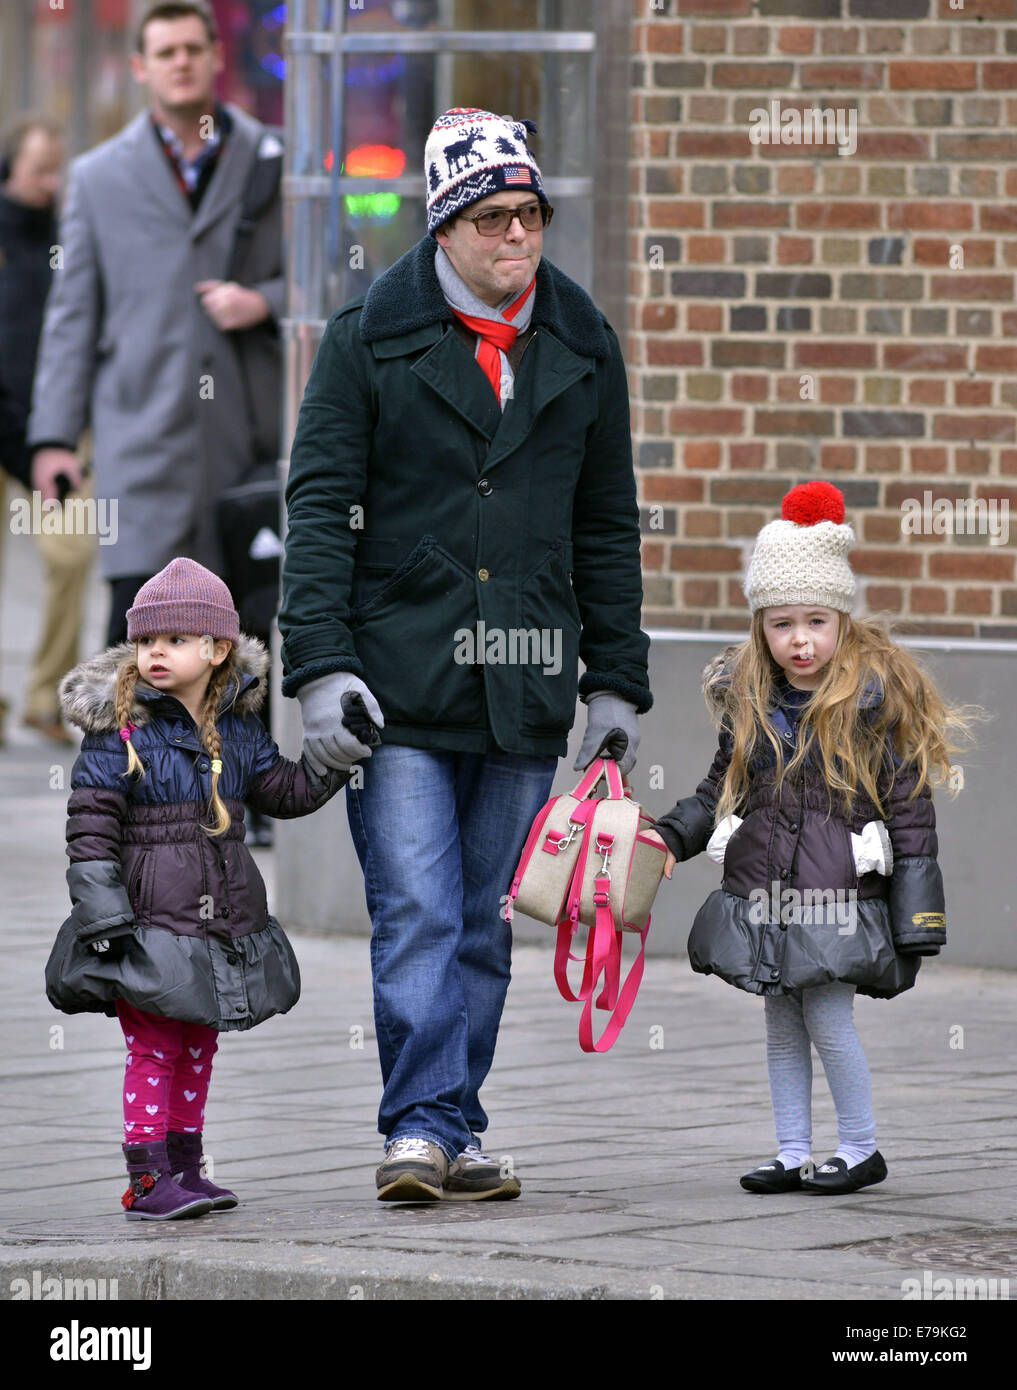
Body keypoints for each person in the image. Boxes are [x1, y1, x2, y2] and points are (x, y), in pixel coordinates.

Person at [278, 107, 652, 1202]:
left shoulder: (583, 344)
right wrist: (318, 667)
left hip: (525, 683)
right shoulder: (367, 337)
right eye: (492, 219)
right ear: (443, 228)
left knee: (490, 924)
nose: (518, 238)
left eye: (530, 215)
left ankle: (450, 1119)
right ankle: (421, 1127)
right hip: (396, 685)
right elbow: (316, 508)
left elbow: (606, 525)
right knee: (420, 913)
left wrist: (618, 678)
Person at [645, 480, 971, 1196]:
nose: (799, 640)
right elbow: (718, 789)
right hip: (768, 892)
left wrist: (916, 911)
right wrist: (669, 838)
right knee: (780, 1023)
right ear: (760, 626)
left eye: (815, 621)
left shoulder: (870, 700)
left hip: (838, 892)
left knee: (827, 1018)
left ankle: (858, 1146)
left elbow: (910, 805)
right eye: (781, 623)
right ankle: (792, 1148)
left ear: (841, 619)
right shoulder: (752, 701)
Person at [45, 557, 373, 1220]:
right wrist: (104, 919)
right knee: (155, 1047)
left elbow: (286, 792)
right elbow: (90, 831)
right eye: (144, 641)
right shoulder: (120, 731)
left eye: (172, 640)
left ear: (218, 648)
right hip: (144, 922)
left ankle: (185, 1169)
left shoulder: (240, 732)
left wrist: (336, 756)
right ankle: (146, 1180)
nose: (153, 652)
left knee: (198, 1042)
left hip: (215, 921)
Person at [25, 1, 282, 648]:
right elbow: (71, 317)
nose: (182, 63)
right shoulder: (95, 178)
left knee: (241, 659)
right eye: (165, 53)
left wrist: (264, 301)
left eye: (194, 49)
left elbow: (335, 277)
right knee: (133, 661)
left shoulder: (272, 159)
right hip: (140, 456)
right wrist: (52, 437)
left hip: (245, 451)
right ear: (140, 67)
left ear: (217, 56)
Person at [0, 111, 95, 745]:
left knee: (73, 553)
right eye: (39, 169)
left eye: (57, 170)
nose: (50, 180)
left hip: (52, 430)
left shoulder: (70, 233)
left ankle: (42, 696)